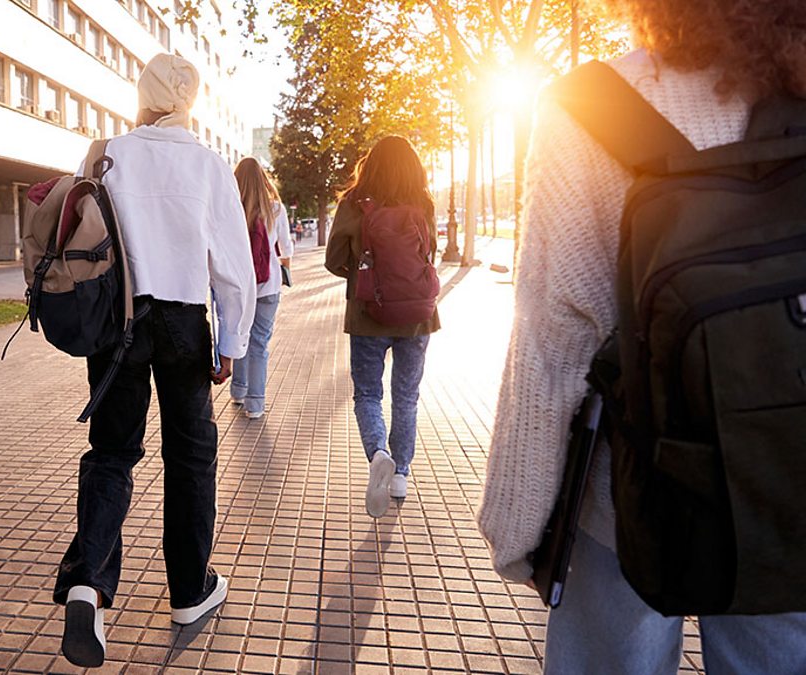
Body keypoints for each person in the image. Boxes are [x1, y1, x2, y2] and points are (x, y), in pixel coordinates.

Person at [477, 1, 806, 671]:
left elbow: (554, 339)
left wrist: (519, 525)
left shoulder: (591, 107)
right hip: (788, 484)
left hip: (630, 498)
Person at [53, 53, 255, 669]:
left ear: (141, 96)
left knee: (113, 451)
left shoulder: (106, 155)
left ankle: (88, 585)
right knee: (190, 454)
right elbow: (234, 265)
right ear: (189, 102)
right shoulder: (208, 163)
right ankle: (190, 590)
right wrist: (232, 342)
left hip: (117, 318)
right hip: (183, 321)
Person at [324, 135, 439, 518]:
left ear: (370, 164)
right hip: (417, 316)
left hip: (367, 316)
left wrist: (365, 279)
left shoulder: (354, 202)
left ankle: (378, 454)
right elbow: (430, 253)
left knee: (368, 394)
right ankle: (401, 473)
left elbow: (334, 259)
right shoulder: (422, 202)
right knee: (406, 396)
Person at [229, 157, 292, 420]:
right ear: (263, 179)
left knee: (241, 335)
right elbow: (286, 249)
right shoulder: (275, 209)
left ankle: (238, 390)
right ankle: (255, 404)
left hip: (239, 287)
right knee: (260, 343)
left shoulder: (231, 207)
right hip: (269, 286)